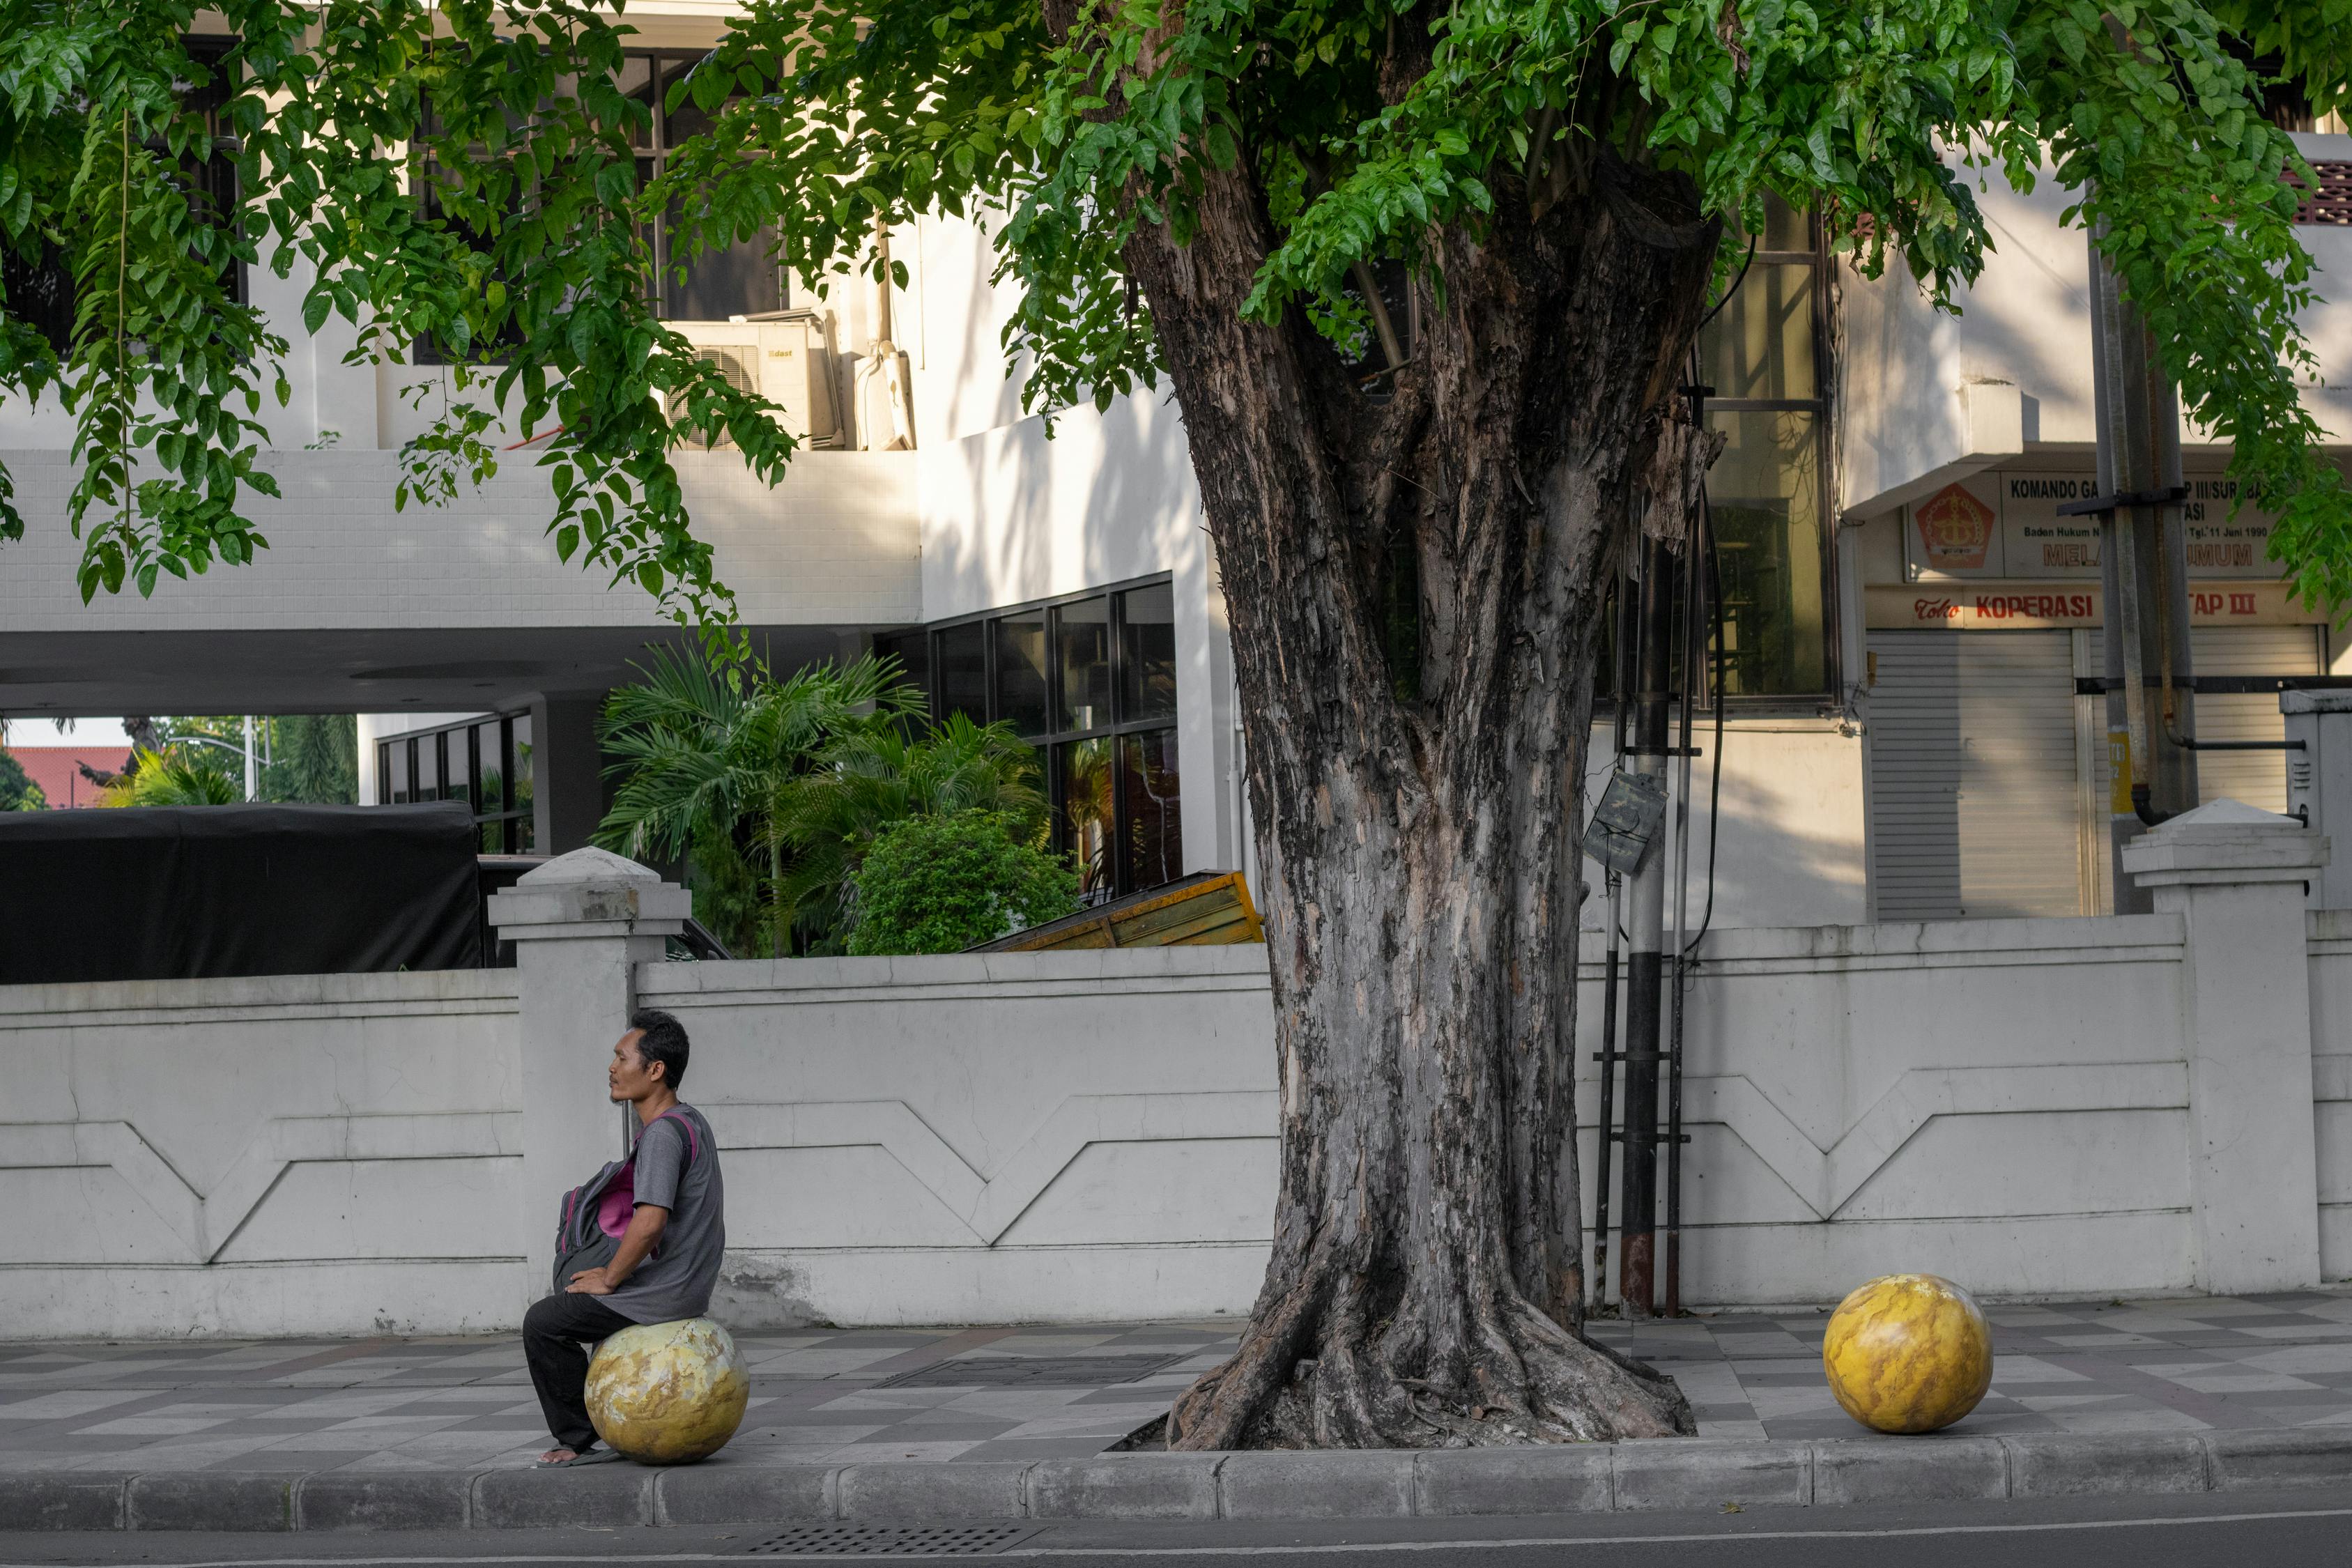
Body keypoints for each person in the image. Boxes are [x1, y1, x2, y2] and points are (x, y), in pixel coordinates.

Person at [526, 1008, 725, 1466]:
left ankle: (576, 1437)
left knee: (543, 1322)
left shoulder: (663, 1135)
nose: (612, 1068)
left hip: (665, 1292)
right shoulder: (690, 1120)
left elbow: (650, 1222)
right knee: (575, 1286)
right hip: (686, 1282)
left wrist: (611, 1279)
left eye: (622, 1058)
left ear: (655, 1070)